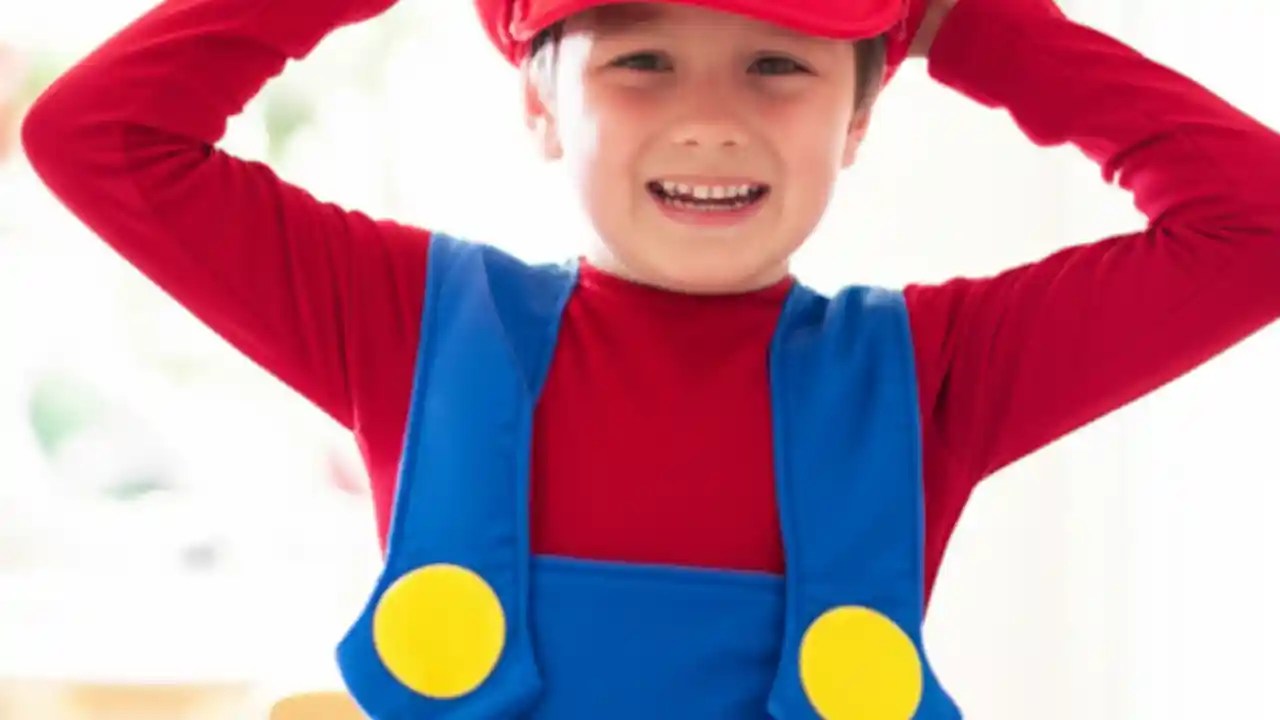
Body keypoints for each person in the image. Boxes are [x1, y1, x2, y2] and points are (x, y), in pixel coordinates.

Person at [20, 0, 1280, 717]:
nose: (709, 116)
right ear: (535, 104)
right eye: (640, 60)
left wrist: (969, 25)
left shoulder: (930, 374)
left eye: (777, 63)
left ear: (856, 119)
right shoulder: (407, 325)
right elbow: (99, 136)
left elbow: (1255, 225)